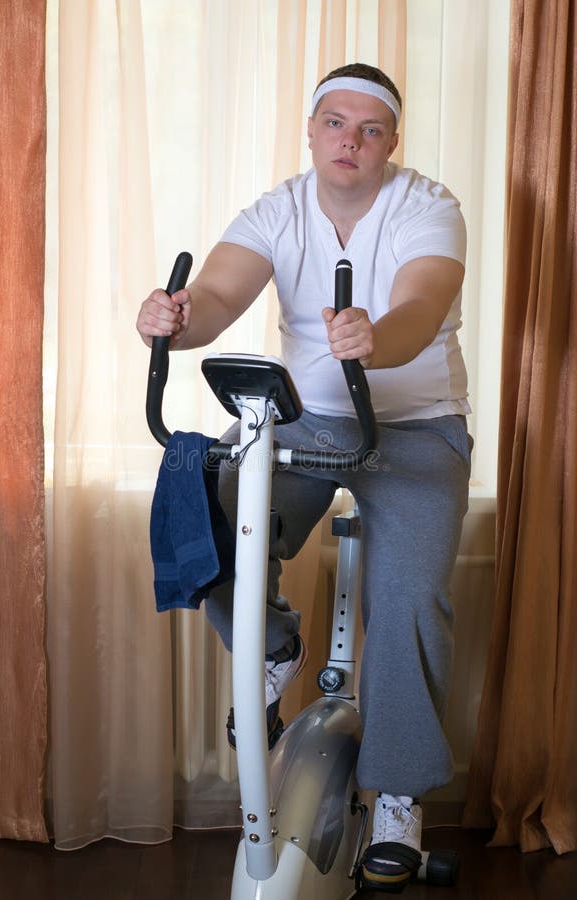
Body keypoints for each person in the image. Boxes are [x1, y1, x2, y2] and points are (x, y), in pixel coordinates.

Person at [137, 62, 472, 891]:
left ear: (392, 141)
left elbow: (423, 304)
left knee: (412, 597)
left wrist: (376, 338)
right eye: (335, 124)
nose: (349, 141)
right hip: (306, 418)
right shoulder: (278, 209)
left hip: (417, 426)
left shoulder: (429, 206)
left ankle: (396, 794)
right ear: (312, 130)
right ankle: (275, 643)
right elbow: (217, 290)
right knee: (202, 507)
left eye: (369, 129)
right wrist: (175, 324)